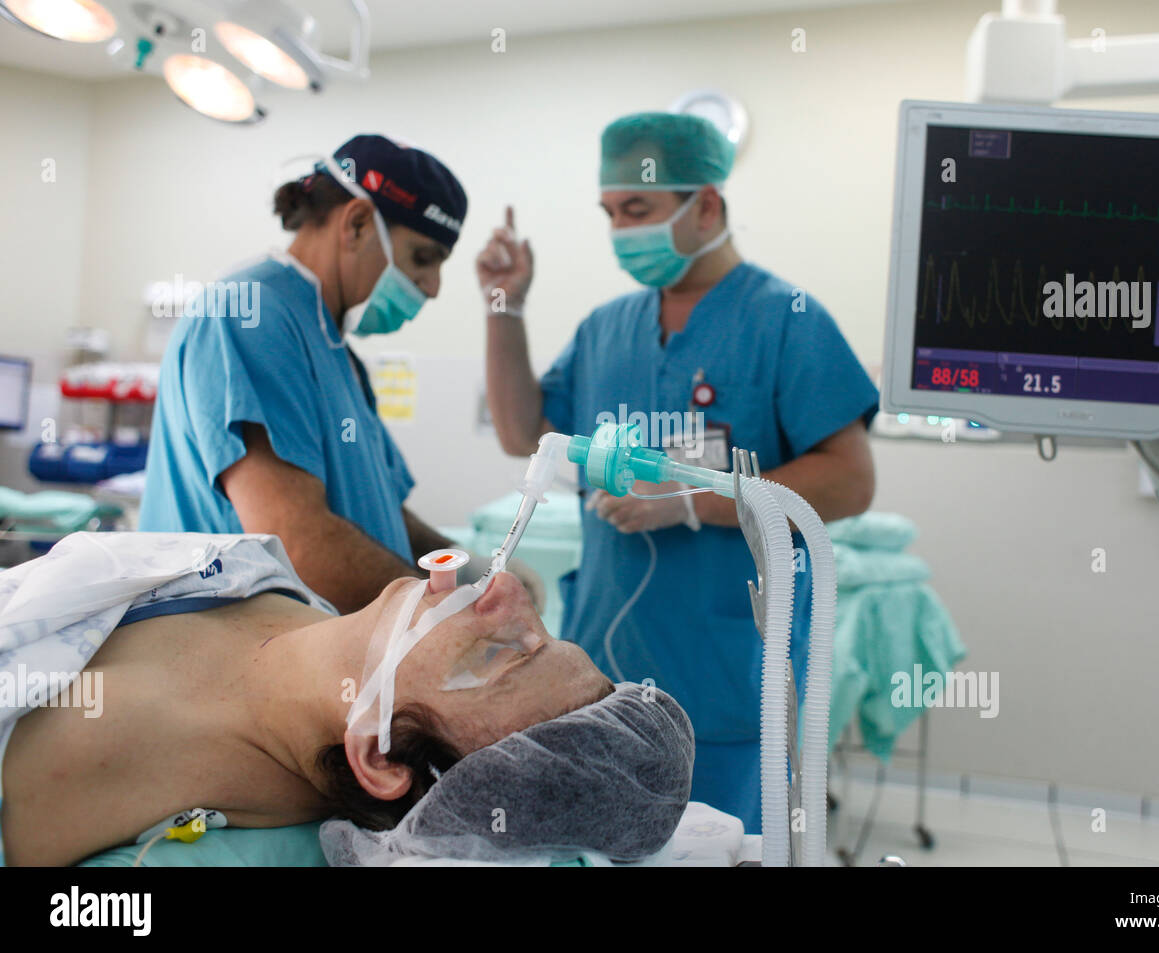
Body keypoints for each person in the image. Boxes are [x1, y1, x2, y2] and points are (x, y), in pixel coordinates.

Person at [478, 112, 880, 831]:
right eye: (609, 213)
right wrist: (504, 304)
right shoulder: (608, 328)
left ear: (708, 205)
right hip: (603, 665)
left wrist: (699, 500)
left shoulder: (785, 320)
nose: (620, 229)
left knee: (724, 843)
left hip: (727, 675)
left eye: (638, 209)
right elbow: (524, 434)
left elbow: (849, 481)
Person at [0, 531, 644, 866]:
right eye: (541, 631)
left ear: (381, 757)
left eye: (501, 654)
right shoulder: (296, 606)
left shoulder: (94, 756)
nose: (500, 589)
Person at [139, 134, 542, 614]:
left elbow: (378, 516)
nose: (433, 287)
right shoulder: (248, 314)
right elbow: (299, 544)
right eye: (423, 258)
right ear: (356, 223)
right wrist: (443, 613)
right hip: (222, 659)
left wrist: (471, 573)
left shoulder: (336, 350)